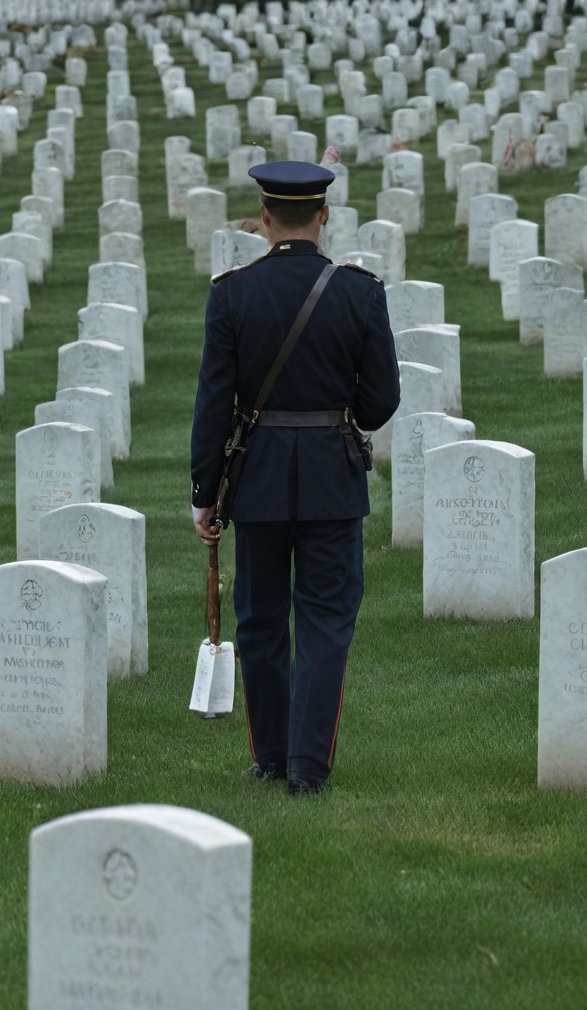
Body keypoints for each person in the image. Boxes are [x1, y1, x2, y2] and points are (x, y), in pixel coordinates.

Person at [190, 159, 400, 794]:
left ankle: (271, 757)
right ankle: (309, 766)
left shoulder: (232, 293)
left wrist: (206, 493)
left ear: (262, 219)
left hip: (255, 479)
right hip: (333, 476)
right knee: (325, 621)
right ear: (323, 215)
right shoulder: (360, 291)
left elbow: (213, 402)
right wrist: (344, 416)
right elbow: (381, 400)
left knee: (260, 619)